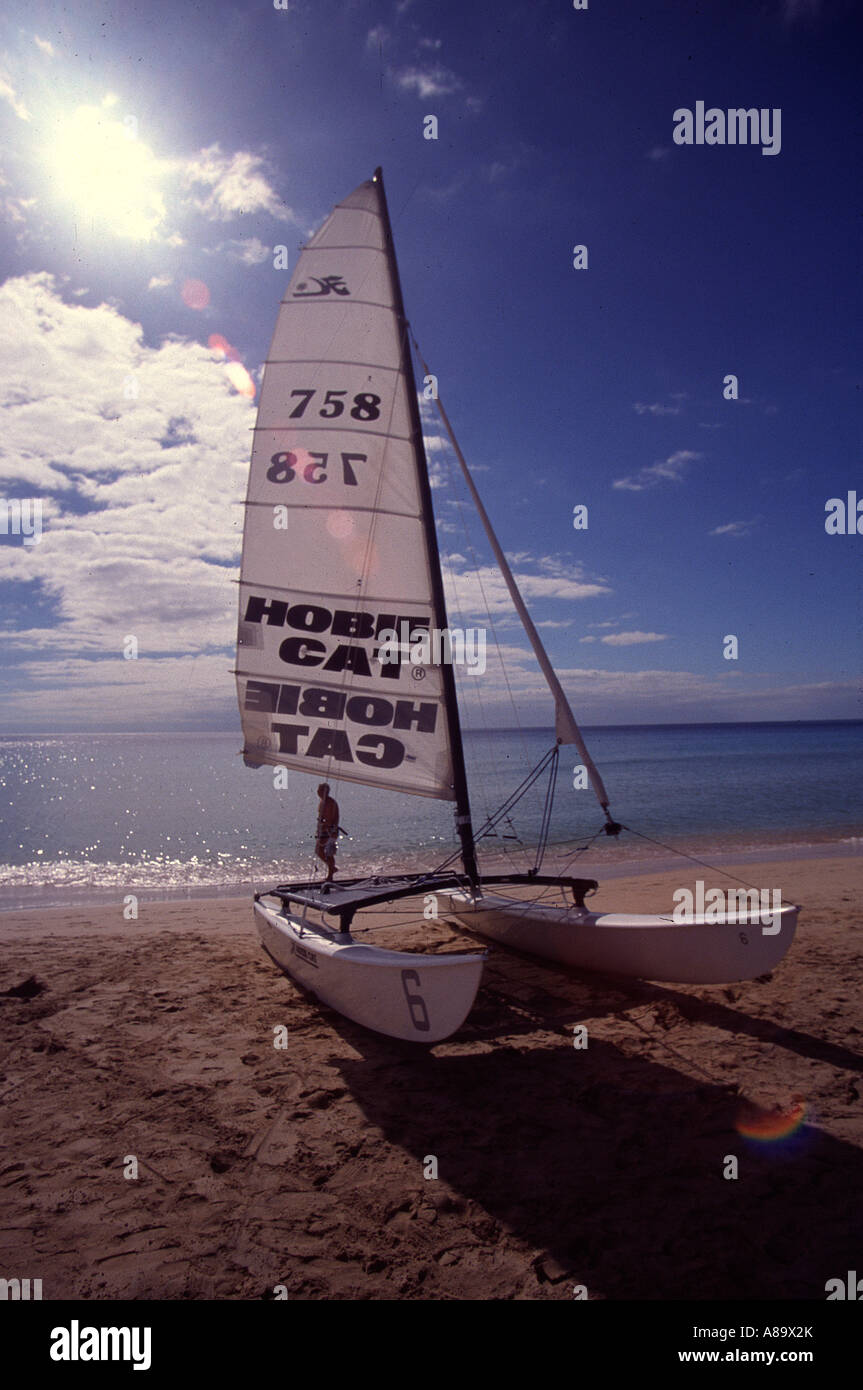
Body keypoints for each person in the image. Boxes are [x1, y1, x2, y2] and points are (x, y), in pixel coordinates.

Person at [315, 783, 339, 882]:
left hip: (329, 831)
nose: (317, 792)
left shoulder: (330, 803)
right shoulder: (322, 802)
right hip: (323, 831)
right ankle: (332, 868)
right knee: (319, 851)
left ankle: (330, 874)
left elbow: (329, 819)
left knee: (328, 853)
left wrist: (324, 828)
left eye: (320, 790)